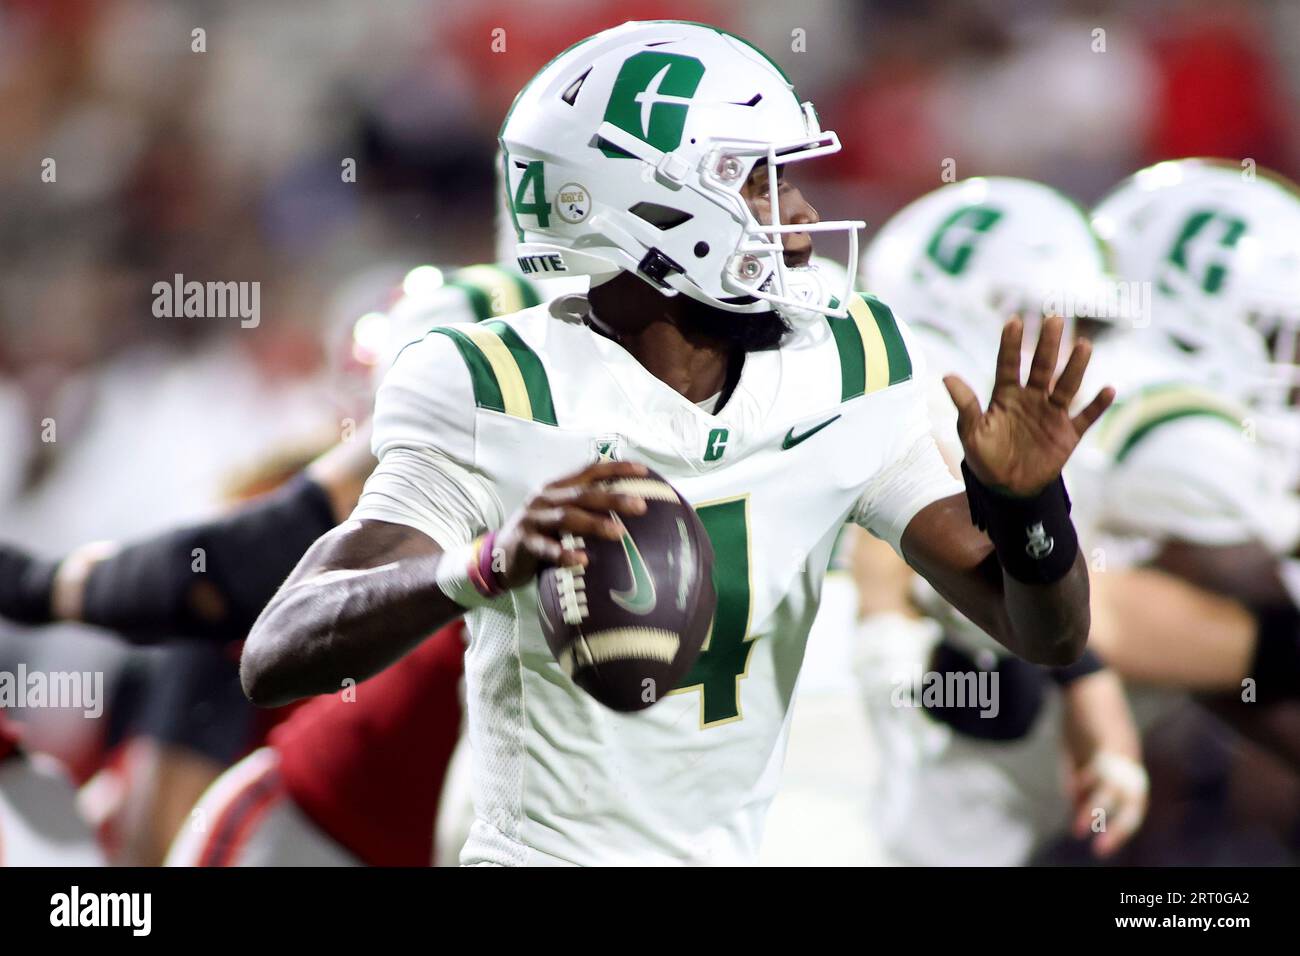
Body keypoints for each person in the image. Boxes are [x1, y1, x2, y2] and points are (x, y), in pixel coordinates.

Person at [240, 20, 1111, 867]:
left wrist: (1033, 507)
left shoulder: (848, 360)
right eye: (760, 182)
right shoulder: (493, 384)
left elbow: (1044, 632)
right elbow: (278, 652)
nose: (802, 217)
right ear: (647, 204)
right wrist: (486, 564)